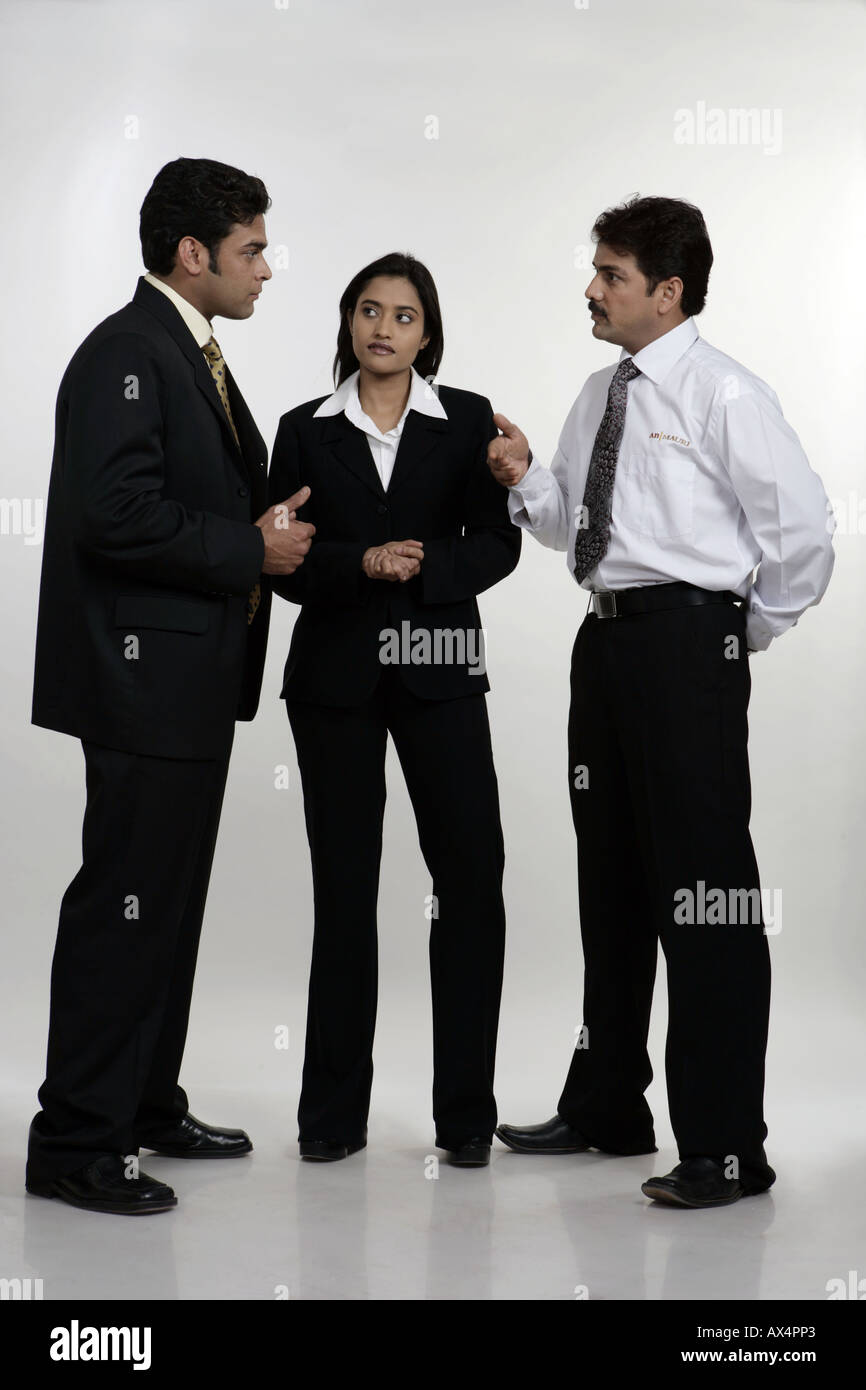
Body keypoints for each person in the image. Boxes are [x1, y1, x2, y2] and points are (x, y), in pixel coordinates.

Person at [487, 195, 834, 1207]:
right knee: (613, 883)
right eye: (594, 271)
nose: (589, 291)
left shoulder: (725, 394)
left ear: (667, 291)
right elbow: (570, 519)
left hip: (686, 648)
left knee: (704, 895)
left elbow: (802, 533)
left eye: (609, 276)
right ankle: (607, 1103)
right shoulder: (602, 390)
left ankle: (726, 1146)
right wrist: (522, 481)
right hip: (602, 645)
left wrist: (732, 631)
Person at [27, 157, 314, 1215]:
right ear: (192, 254)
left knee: (169, 904)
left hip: (186, 680)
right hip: (142, 679)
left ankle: (143, 1103)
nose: (266, 269)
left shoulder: (184, 351)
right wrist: (249, 545)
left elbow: (187, 493)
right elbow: (114, 513)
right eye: (251, 249)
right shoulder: (128, 353)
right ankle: (74, 1140)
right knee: (127, 903)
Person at [268, 251, 520, 1166]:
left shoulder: (466, 424)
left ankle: (465, 1121)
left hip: (441, 671)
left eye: (403, 316)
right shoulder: (302, 429)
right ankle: (331, 1119)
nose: (382, 328)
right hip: (333, 682)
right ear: (347, 323)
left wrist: (426, 570)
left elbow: (498, 543)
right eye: (368, 311)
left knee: (471, 883)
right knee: (345, 892)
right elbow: (282, 556)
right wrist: (358, 564)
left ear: (427, 331)